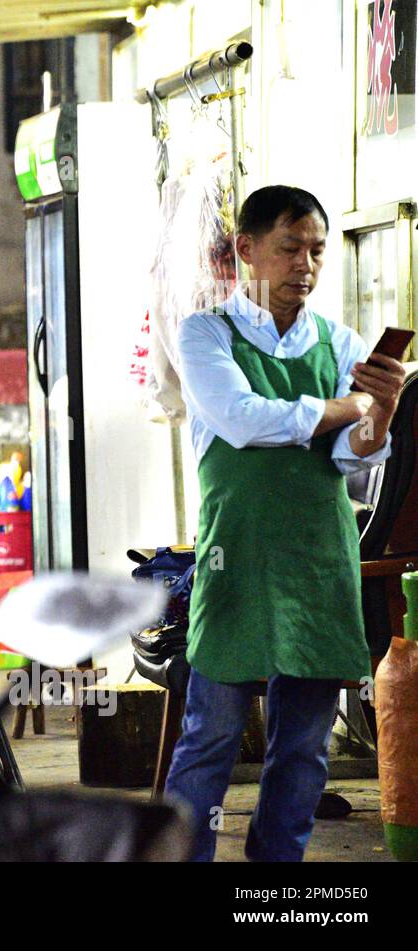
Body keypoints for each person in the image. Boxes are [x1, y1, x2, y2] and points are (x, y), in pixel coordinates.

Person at [168, 185, 406, 862]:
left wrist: (379, 410)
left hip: (317, 558)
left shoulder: (338, 342)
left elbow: (351, 454)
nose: (305, 263)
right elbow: (245, 421)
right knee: (210, 735)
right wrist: (347, 402)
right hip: (234, 561)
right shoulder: (207, 334)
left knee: (303, 748)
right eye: (289, 247)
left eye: (316, 251)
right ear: (248, 250)